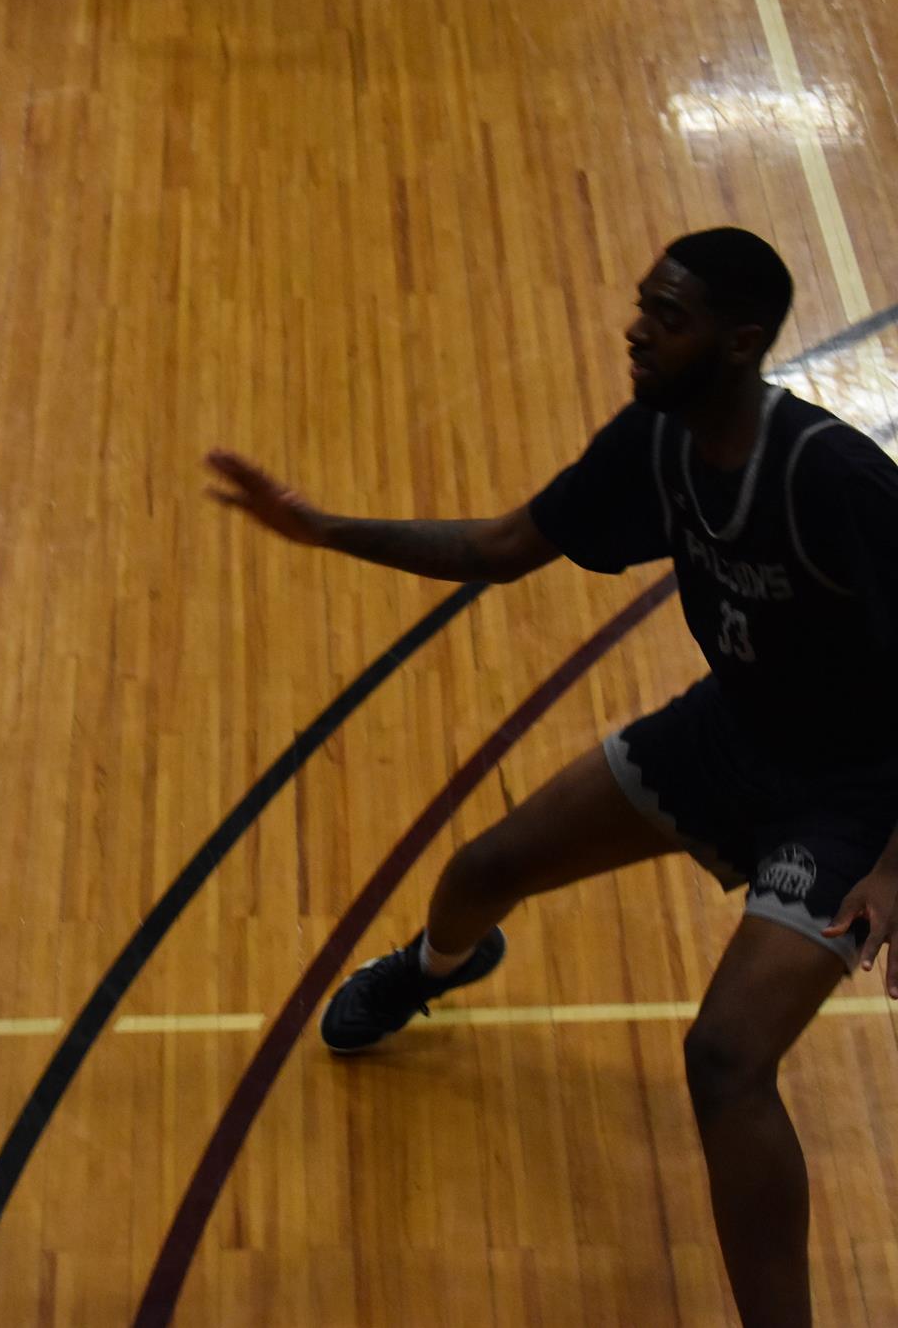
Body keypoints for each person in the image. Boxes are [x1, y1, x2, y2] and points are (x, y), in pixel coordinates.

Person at [204, 227, 898, 1326]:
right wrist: (321, 528)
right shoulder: (657, 439)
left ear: (739, 342)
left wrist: (894, 868)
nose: (635, 330)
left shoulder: (834, 477)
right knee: (483, 868)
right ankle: (437, 963)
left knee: (724, 1058)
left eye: (666, 316)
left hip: (854, 794)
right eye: (643, 304)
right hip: (728, 733)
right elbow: (498, 548)